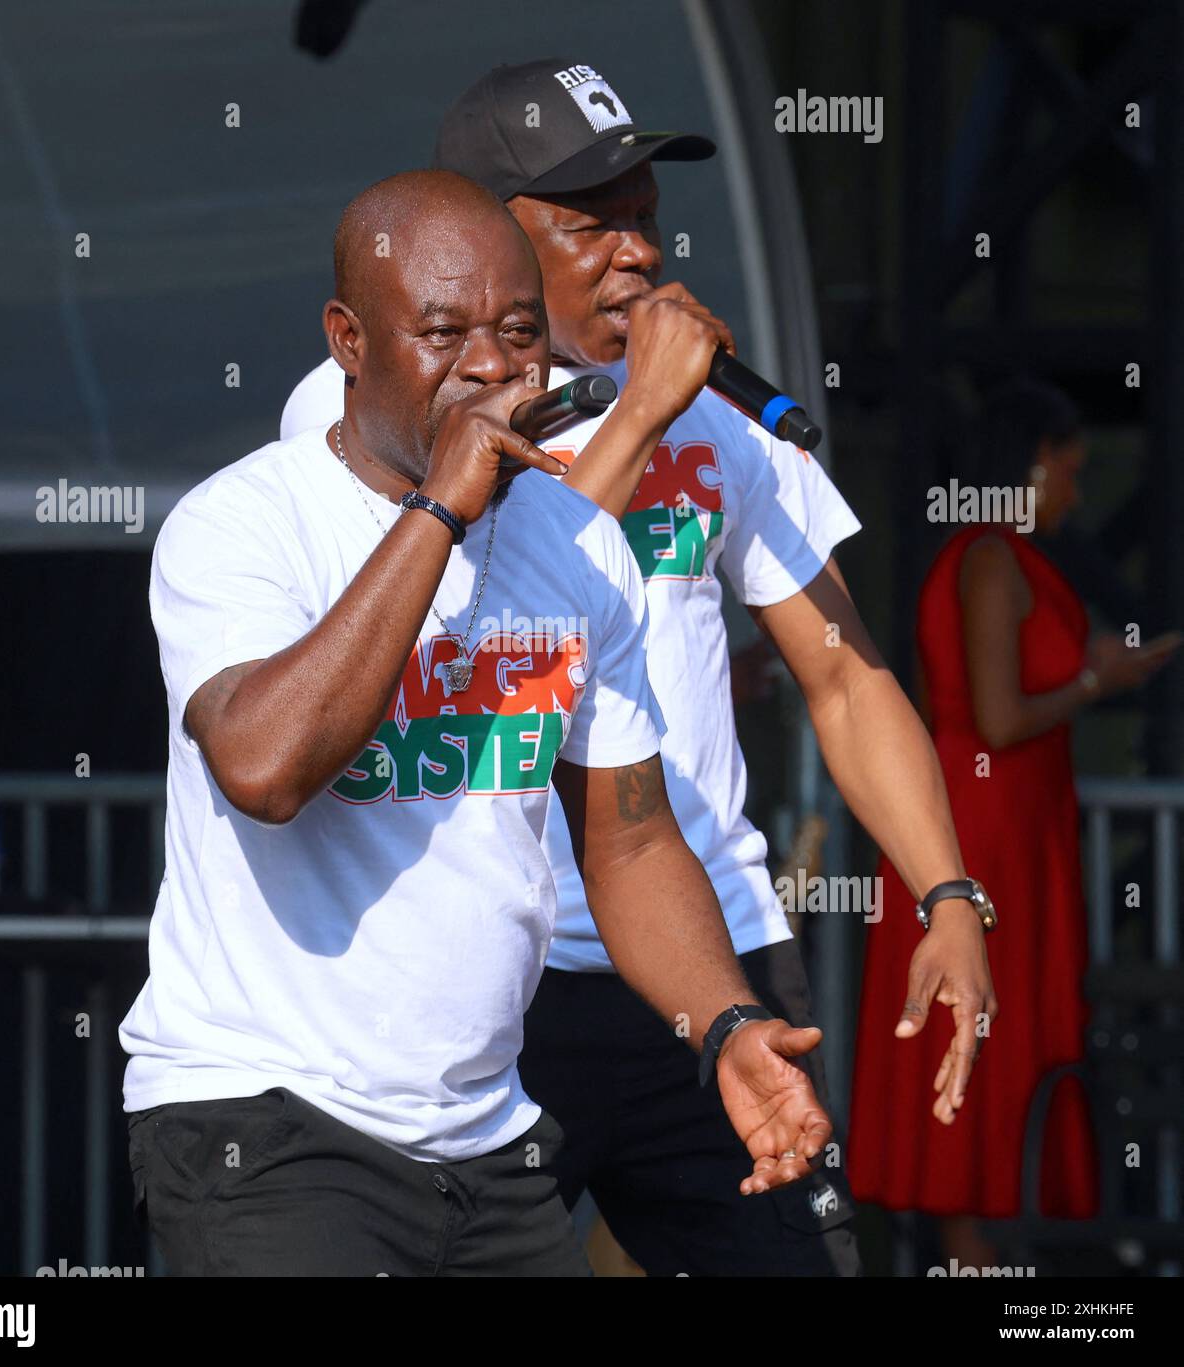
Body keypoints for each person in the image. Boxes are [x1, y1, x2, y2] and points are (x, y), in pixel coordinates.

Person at [281, 60, 998, 1278]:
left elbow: (842, 673)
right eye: (591, 223)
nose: (636, 254)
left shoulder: (715, 423)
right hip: (487, 974)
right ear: (484, 235)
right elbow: (477, 626)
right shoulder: (368, 415)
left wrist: (945, 890)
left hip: (701, 962)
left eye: (645, 219)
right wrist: (635, 424)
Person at [120, 170, 835, 1278]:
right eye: (444, 332)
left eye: (516, 331)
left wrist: (728, 1025)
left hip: (484, 1138)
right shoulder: (243, 524)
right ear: (349, 340)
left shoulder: (576, 543)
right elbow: (264, 767)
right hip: (266, 1122)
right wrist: (440, 511)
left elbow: (633, 841)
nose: (494, 366)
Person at [847, 380, 1181, 1270]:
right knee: (990, 1036)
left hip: (1002, 825)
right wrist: (1096, 684)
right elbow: (994, 719)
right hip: (985, 832)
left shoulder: (988, 557)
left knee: (1009, 1038)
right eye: (1070, 470)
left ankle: (985, 1253)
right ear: (1035, 466)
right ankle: (976, 1254)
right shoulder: (991, 558)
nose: (1077, 490)